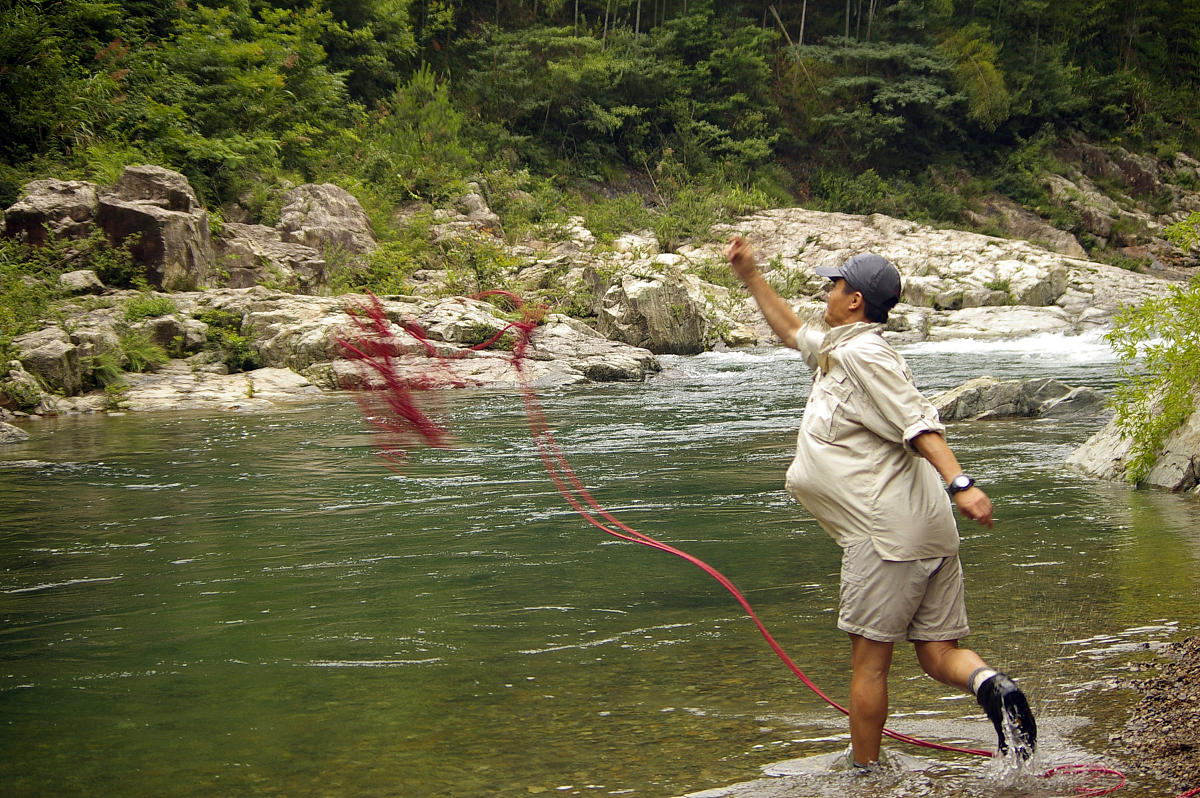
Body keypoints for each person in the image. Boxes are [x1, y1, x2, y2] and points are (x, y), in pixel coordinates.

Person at [725, 236, 1037, 771]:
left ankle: (864, 775)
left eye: (835, 283)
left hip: (886, 534)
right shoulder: (840, 347)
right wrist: (751, 277)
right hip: (926, 531)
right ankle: (995, 687)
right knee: (938, 653)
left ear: (855, 301)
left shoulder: (866, 354)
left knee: (869, 666)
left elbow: (918, 420)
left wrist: (962, 484)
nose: (827, 290)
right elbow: (793, 331)